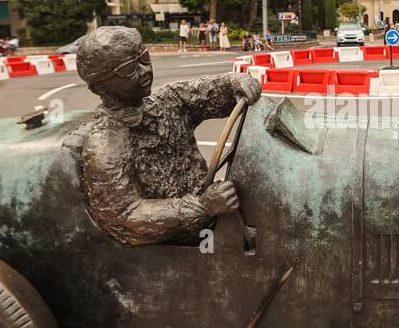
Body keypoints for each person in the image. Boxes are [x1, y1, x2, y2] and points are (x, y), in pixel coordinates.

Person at [76, 26, 261, 246]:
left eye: (144, 58)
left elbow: (206, 91)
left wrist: (235, 84)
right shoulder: (105, 144)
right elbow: (125, 218)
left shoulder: (167, 100)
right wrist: (202, 206)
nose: (144, 71)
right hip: (182, 246)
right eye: (129, 69)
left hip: (220, 215)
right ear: (99, 86)